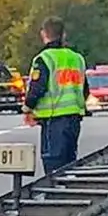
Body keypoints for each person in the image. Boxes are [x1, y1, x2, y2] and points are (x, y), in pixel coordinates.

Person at [23, 16, 90, 175]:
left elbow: (37, 88)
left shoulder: (44, 59)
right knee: (69, 163)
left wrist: (27, 108)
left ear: (43, 34)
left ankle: (55, 196)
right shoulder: (77, 59)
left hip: (53, 120)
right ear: (63, 35)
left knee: (53, 164)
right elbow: (85, 89)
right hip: (74, 119)